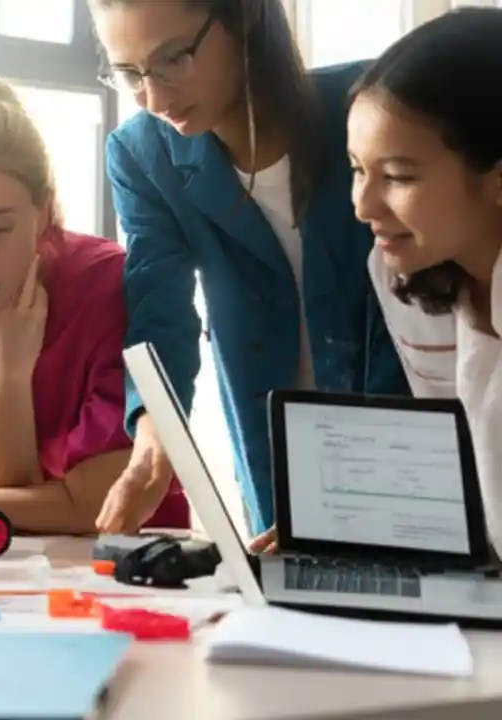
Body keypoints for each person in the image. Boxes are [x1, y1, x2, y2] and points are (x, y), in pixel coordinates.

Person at [89, 0, 410, 536]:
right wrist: (153, 445)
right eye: (129, 73)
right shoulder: (143, 154)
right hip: (270, 453)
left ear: (243, 15)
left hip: (403, 450)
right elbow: (159, 314)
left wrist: (349, 499)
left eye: (173, 58)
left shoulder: (368, 113)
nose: (154, 96)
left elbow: (418, 301)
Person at [0, 76, 189, 535]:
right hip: (8, 576)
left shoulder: (110, 287)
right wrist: (7, 371)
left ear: (44, 212)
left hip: (138, 566)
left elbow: (91, 509)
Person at [344, 7, 502, 553]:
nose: (362, 205)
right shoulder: (403, 274)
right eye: (357, 169)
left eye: (397, 177)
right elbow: (462, 478)